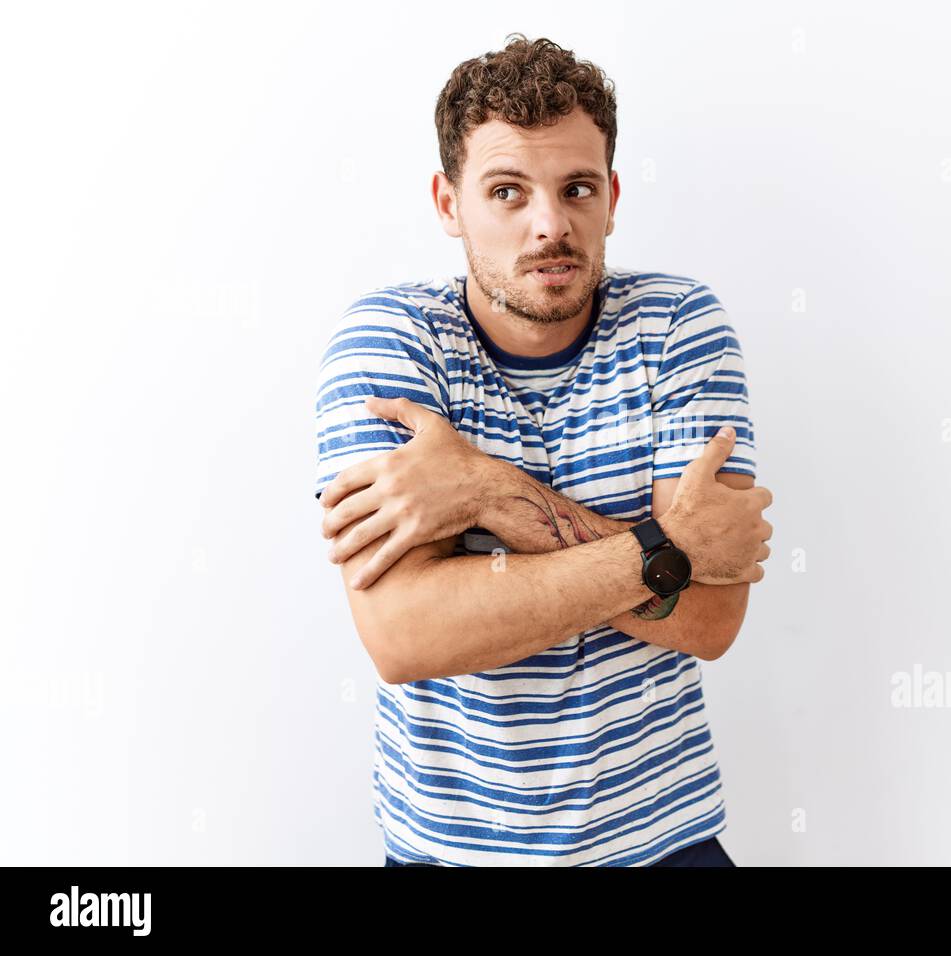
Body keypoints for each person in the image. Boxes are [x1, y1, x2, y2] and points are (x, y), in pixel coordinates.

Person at [312, 33, 773, 866]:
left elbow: (709, 618)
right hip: (450, 851)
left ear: (612, 196)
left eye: (577, 188)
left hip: (664, 844)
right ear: (448, 204)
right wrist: (666, 554)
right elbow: (405, 636)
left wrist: (482, 492)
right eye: (507, 192)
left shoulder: (678, 327)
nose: (550, 224)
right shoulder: (388, 345)